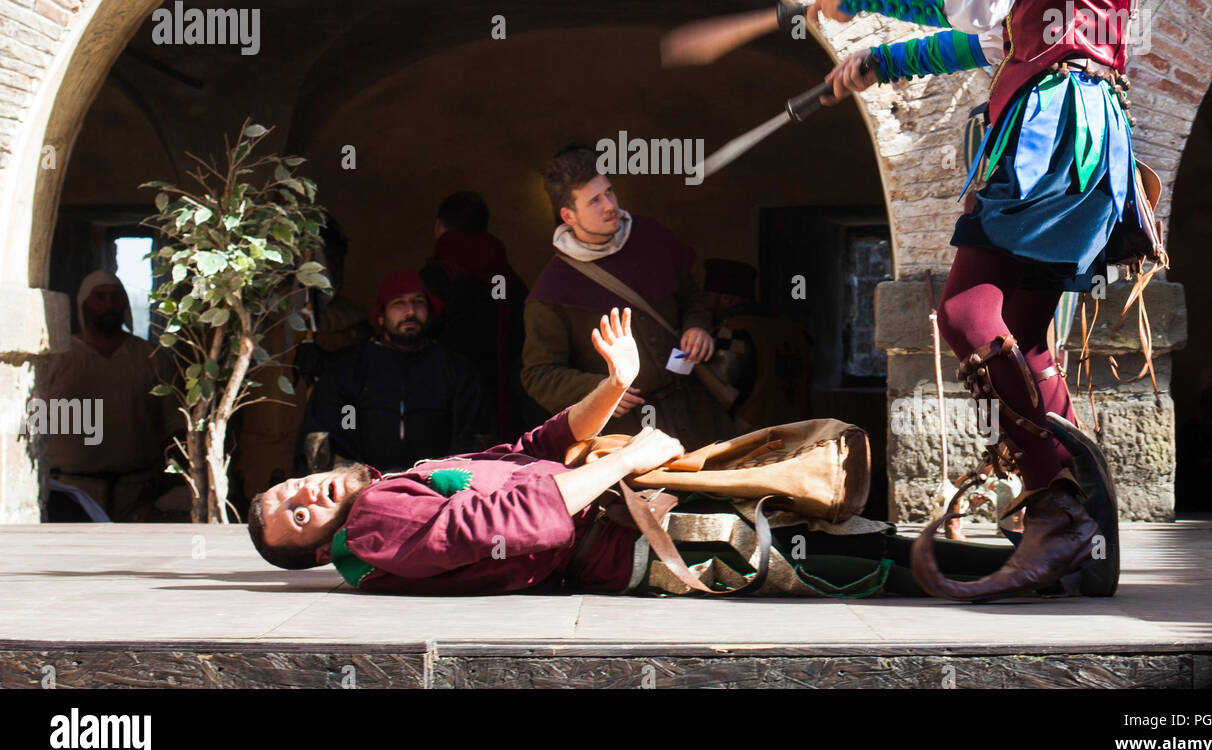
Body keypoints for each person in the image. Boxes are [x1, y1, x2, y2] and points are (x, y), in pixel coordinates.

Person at [809, 0, 1141, 600]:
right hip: (1061, 110)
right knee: (1020, 335)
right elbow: (1000, 31)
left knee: (965, 315)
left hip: (1053, 126)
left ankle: (1063, 505)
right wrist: (883, 62)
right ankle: (1075, 526)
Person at [249, 308, 1015, 595]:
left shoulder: (393, 486)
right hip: (644, 537)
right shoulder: (377, 523)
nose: (302, 496)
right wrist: (622, 458)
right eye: (295, 519)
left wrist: (616, 386)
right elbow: (518, 527)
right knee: (838, 558)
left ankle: (1016, 561)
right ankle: (1025, 569)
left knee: (839, 538)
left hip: (642, 503)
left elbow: (529, 450)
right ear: (321, 554)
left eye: (289, 491)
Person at [521, 145, 737, 451]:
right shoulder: (552, 291)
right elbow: (539, 374)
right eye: (594, 201)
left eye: (609, 192)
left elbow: (691, 296)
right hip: (628, 435)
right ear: (568, 215)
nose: (609, 205)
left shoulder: (651, 236)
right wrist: (599, 391)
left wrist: (696, 327)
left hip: (698, 409)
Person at [294, 269, 493, 475]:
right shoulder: (351, 370)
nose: (410, 312)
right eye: (399, 303)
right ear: (380, 317)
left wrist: (446, 478)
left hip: (438, 489)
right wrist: (356, 479)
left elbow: (474, 436)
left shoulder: (456, 369)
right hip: (365, 489)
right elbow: (327, 434)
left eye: (418, 302)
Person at [40, 270, 178, 521]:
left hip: (137, 494)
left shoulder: (151, 358)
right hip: (71, 493)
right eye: (99, 297)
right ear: (83, 304)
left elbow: (175, 429)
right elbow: (32, 426)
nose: (108, 305)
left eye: (116, 297)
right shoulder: (56, 358)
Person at [419, 190, 544, 440]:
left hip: (451, 397)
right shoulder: (506, 273)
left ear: (438, 227)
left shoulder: (437, 275)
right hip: (508, 398)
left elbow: (418, 334)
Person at [703, 258, 813, 428]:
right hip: (799, 429)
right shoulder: (794, 330)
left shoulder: (733, 331)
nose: (706, 306)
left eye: (708, 298)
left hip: (754, 434)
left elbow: (723, 394)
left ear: (727, 299)